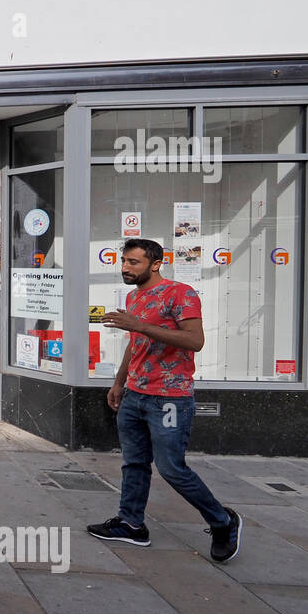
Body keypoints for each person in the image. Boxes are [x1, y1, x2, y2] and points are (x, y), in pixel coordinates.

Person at [87, 238, 241, 562]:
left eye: (133, 262)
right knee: (134, 464)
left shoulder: (180, 293)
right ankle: (131, 524)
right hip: (135, 395)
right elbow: (136, 344)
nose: (125, 268)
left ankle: (223, 521)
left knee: (172, 468)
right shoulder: (134, 296)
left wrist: (139, 324)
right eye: (124, 261)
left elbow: (195, 341)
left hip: (170, 397)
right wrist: (118, 382)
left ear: (155, 264)